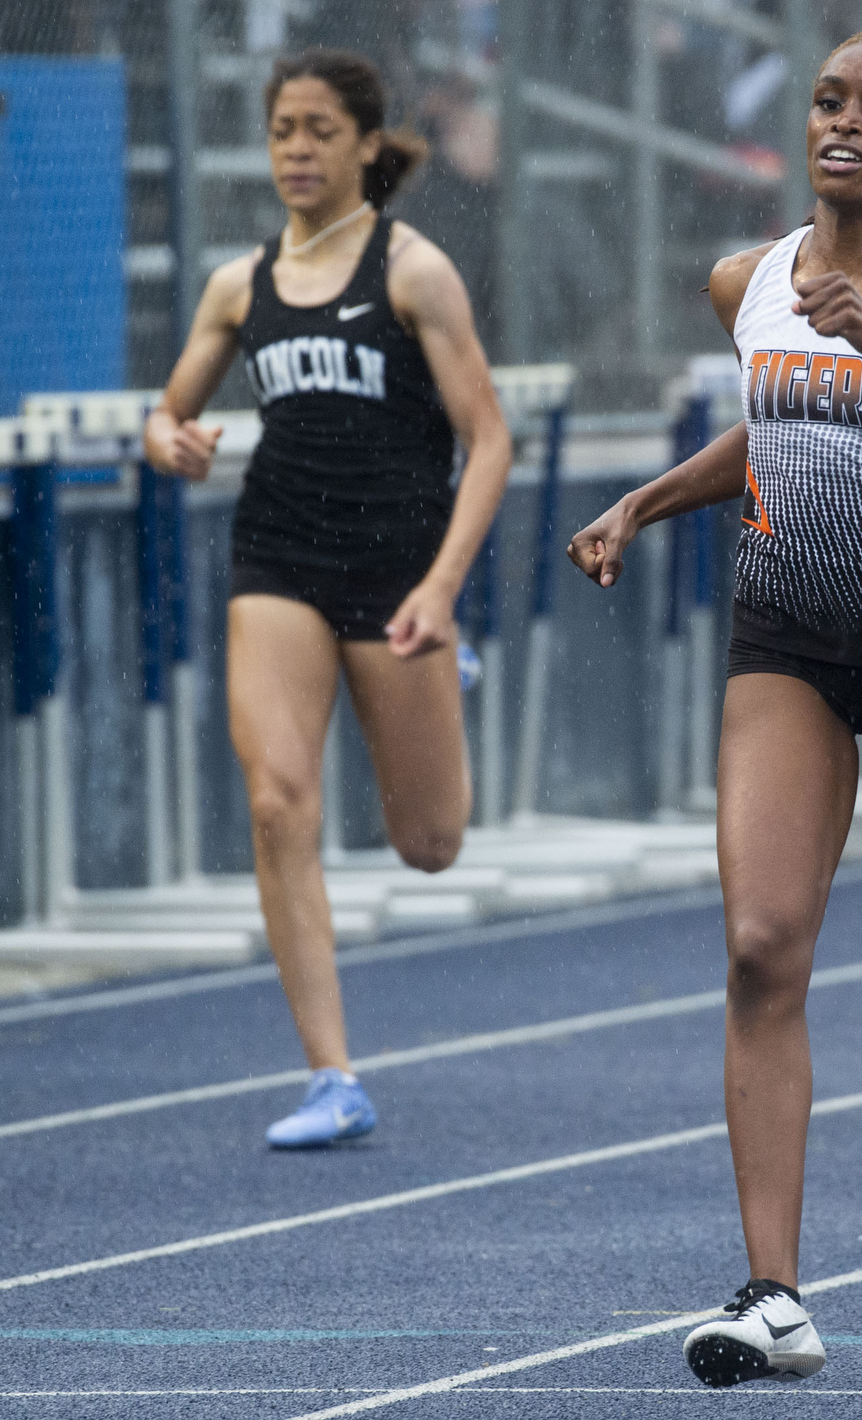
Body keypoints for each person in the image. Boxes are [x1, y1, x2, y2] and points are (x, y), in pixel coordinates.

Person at [570, 23, 862, 1390]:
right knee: (762, 945)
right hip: (786, 639)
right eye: (829, 100)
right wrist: (647, 501)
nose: (843, 122)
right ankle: (775, 1294)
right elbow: (780, 425)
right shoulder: (750, 277)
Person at [143, 48, 510, 1147]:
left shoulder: (413, 272)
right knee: (276, 802)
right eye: (279, 131)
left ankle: (453, 665)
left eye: (315, 130)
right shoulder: (235, 284)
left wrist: (444, 588)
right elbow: (164, 414)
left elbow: (488, 440)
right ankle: (331, 1075)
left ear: (363, 143)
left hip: (399, 577)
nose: (295, 150)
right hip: (279, 558)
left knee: (429, 841)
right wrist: (172, 438)